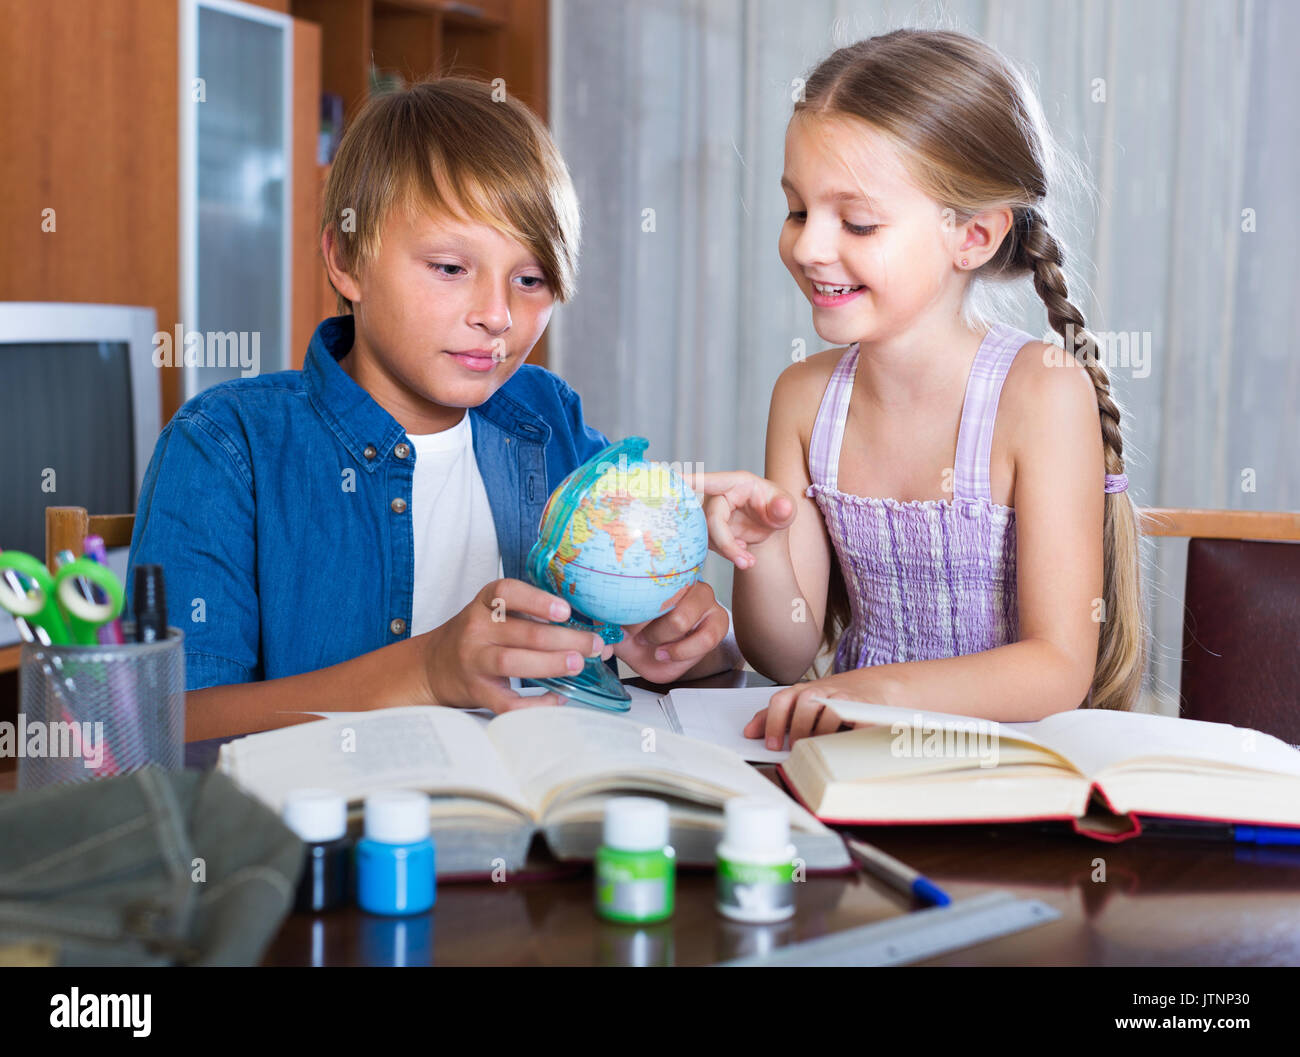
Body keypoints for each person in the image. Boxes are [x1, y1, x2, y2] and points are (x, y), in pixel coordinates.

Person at [127, 78, 738, 741]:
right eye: (450, 267)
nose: (497, 315)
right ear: (345, 259)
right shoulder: (227, 445)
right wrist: (425, 670)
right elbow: (169, 723)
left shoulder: (549, 422)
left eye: (530, 280)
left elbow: (698, 662)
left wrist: (682, 644)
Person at [688, 30, 1148, 747]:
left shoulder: (1043, 395)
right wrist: (762, 554)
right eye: (798, 210)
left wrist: (878, 691)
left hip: (1002, 770)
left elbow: (1058, 667)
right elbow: (783, 654)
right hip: (845, 761)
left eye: (858, 221)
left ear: (973, 236)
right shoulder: (805, 398)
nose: (809, 246)